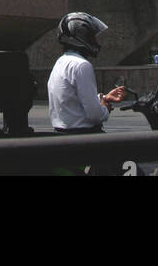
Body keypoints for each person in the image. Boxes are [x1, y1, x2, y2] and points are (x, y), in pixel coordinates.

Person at [48, 13, 126, 172]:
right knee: (130, 167)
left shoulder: (61, 62)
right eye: (92, 37)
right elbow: (95, 115)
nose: (96, 41)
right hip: (86, 140)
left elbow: (69, 100)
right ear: (80, 38)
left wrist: (103, 97)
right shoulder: (82, 65)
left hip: (63, 137)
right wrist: (105, 107)